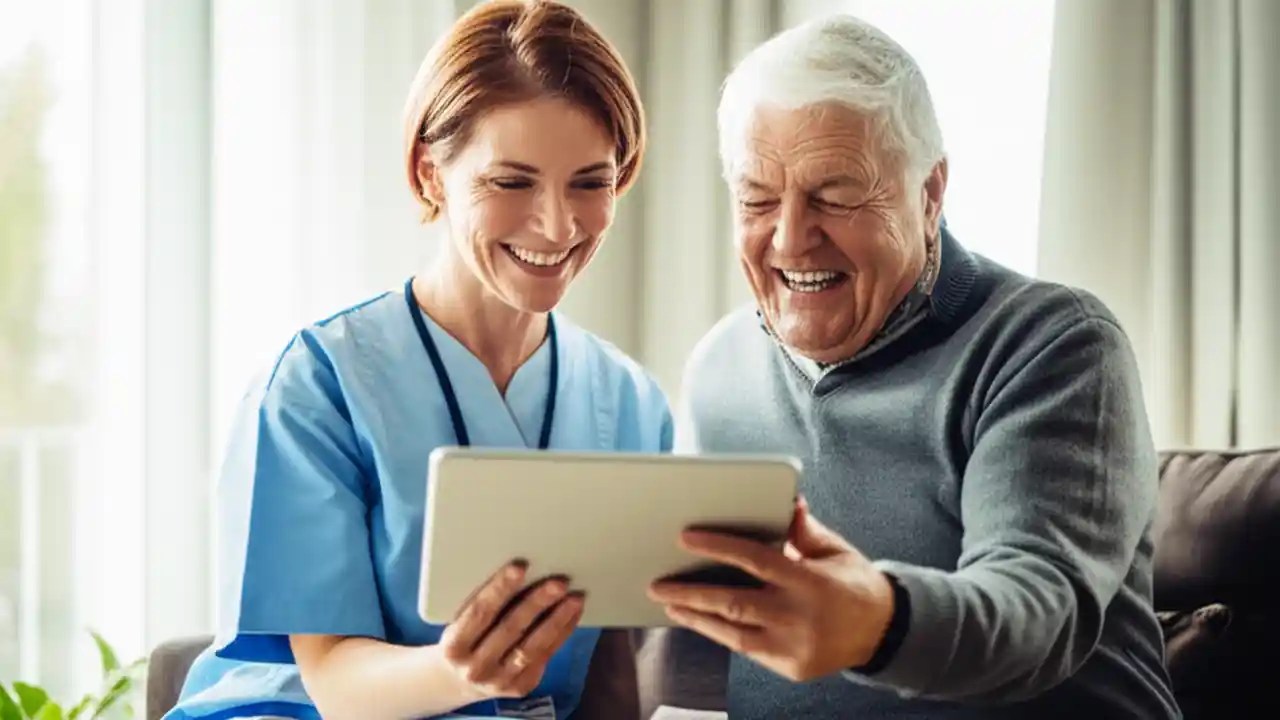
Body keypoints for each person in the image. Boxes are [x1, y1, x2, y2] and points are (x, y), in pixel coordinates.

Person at [643, 13, 1182, 720]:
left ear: (929, 196)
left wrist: (876, 622)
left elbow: (1035, 611)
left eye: (835, 196)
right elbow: (690, 652)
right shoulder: (720, 369)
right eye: (757, 199)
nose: (791, 237)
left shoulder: (1052, 345)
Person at [164, 2, 667, 719]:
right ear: (431, 174)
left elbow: (612, 677)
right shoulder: (318, 385)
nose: (559, 225)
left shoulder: (632, 405)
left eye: (591, 182)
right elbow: (334, 679)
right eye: (512, 182)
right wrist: (466, 672)